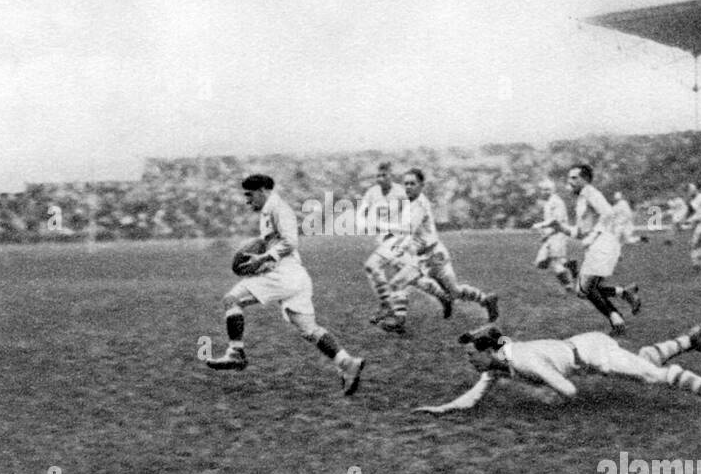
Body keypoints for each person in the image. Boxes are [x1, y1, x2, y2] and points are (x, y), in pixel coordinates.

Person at [205, 174, 366, 395]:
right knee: (309, 330)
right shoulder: (268, 211)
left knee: (231, 300)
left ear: (263, 191)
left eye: (250, 195)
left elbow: (291, 242)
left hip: (284, 274)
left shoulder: (278, 208)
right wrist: (262, 257)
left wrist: (261, 259)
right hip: (294, 277)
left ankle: (236, 352)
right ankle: (347, 363)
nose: (247, 201)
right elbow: (277, 244)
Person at [413, 324, 701, 413]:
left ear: (488, 351)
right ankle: (690, 339)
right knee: (644, 360)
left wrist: (541, 393)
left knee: (652, 376)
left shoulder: (523, 360)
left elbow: (569, 391)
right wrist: (440, 408)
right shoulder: (497, 365)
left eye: (472, 355)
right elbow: (472, 398)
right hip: (583, 347)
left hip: (592, 353)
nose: (469, 360)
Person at [377, 168, 499, 333]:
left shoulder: (420, 204)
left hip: (435, 255)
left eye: (412, 183)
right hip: (419, 257)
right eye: (406, 183)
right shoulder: (407, 203)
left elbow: (409, 228)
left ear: (421, 186)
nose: (408, 187)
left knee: (454, 292)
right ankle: (399, 320)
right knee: (398, 283)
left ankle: (486, 300)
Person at [563, 165, 640, 336]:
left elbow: (608, 213)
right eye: (569, 178)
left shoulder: (591, 193)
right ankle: (623, 298)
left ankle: (617, 317)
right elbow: (581, 231)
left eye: (574, 178)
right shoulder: (582, 198)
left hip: (602, 245)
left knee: (584, 290)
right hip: (598, 246)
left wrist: (593, 235)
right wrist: (559, 227)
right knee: (587, 289)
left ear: (585, 179)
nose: (570, 182)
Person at [358, 162, 410, 324]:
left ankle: (388, 306)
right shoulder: (372, 192)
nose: (380, 178)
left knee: (373, 266)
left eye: (384, 175)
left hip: (399, 238)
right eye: (378, 175)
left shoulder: (401, 193)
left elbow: (409, 218)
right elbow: (362, 211)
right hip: (385, 240)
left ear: (391, 176)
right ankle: (444, 295)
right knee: (402, 274)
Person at [531, 179, 577, 294]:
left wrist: (540, 226)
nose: (544, 192)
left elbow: (557, 221)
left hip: (558, 235)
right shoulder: (548, 202)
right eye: (542, 189)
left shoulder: (556, 202)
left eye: (547, 189)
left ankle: (569, 286)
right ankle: (569, 265)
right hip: (551, 236)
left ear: (553, 190)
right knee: (540, 263)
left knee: (555, 263)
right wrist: (546, 234)